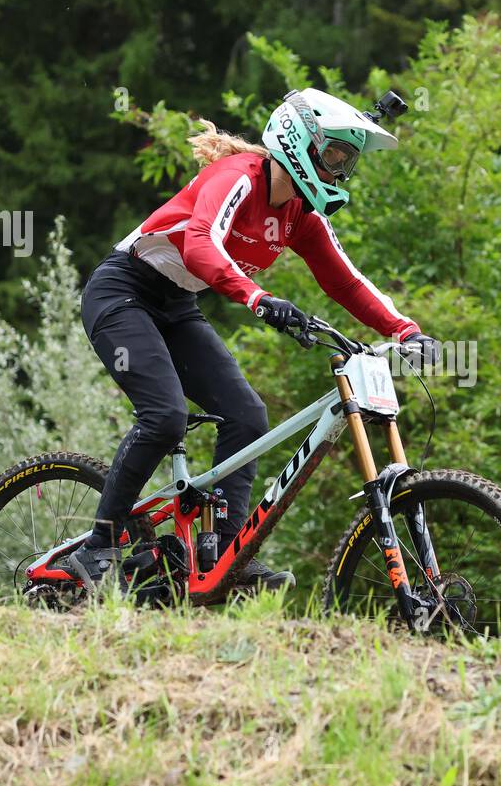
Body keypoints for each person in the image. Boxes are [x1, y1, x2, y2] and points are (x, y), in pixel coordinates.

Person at [63, 88, 439, 593]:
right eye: (333, 157)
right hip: (123, 291)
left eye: (346, 163)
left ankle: (224, 551)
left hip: (176, 306)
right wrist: (257, 298)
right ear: (298, 140)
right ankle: (99, 544)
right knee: (165, 415)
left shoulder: (300, 215)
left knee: (246, 415)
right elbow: (199, 243)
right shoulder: (237, 175)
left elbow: (345, 282)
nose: (338, 172)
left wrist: (405, 330)